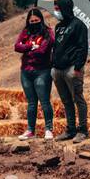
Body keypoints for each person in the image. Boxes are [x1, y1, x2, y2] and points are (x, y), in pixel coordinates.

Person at [50, 0, 89, 142]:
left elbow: (82, 47)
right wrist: (53, 66)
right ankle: (70, 130)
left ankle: (83, 130)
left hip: (72, 69)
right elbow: (56, 47)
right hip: (58, 70)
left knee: (78, 99)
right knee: (66, 101)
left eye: (57, 9)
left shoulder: (78, 25)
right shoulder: (59, 26)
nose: (55, 12)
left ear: (65, 8)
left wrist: (78, 68)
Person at [15, 8, 55, 140]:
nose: (34, 23)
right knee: (31, 103)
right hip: (26, 71)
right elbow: (17, 46)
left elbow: (43, 50)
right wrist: (30, 47)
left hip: (42, 71)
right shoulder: (26, 31)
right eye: (31, 21)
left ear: (41, 20)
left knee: (44, 101)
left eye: (36, 20)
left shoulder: (48, 32)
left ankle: (48, 129)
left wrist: (26, 48)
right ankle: (30, 130)